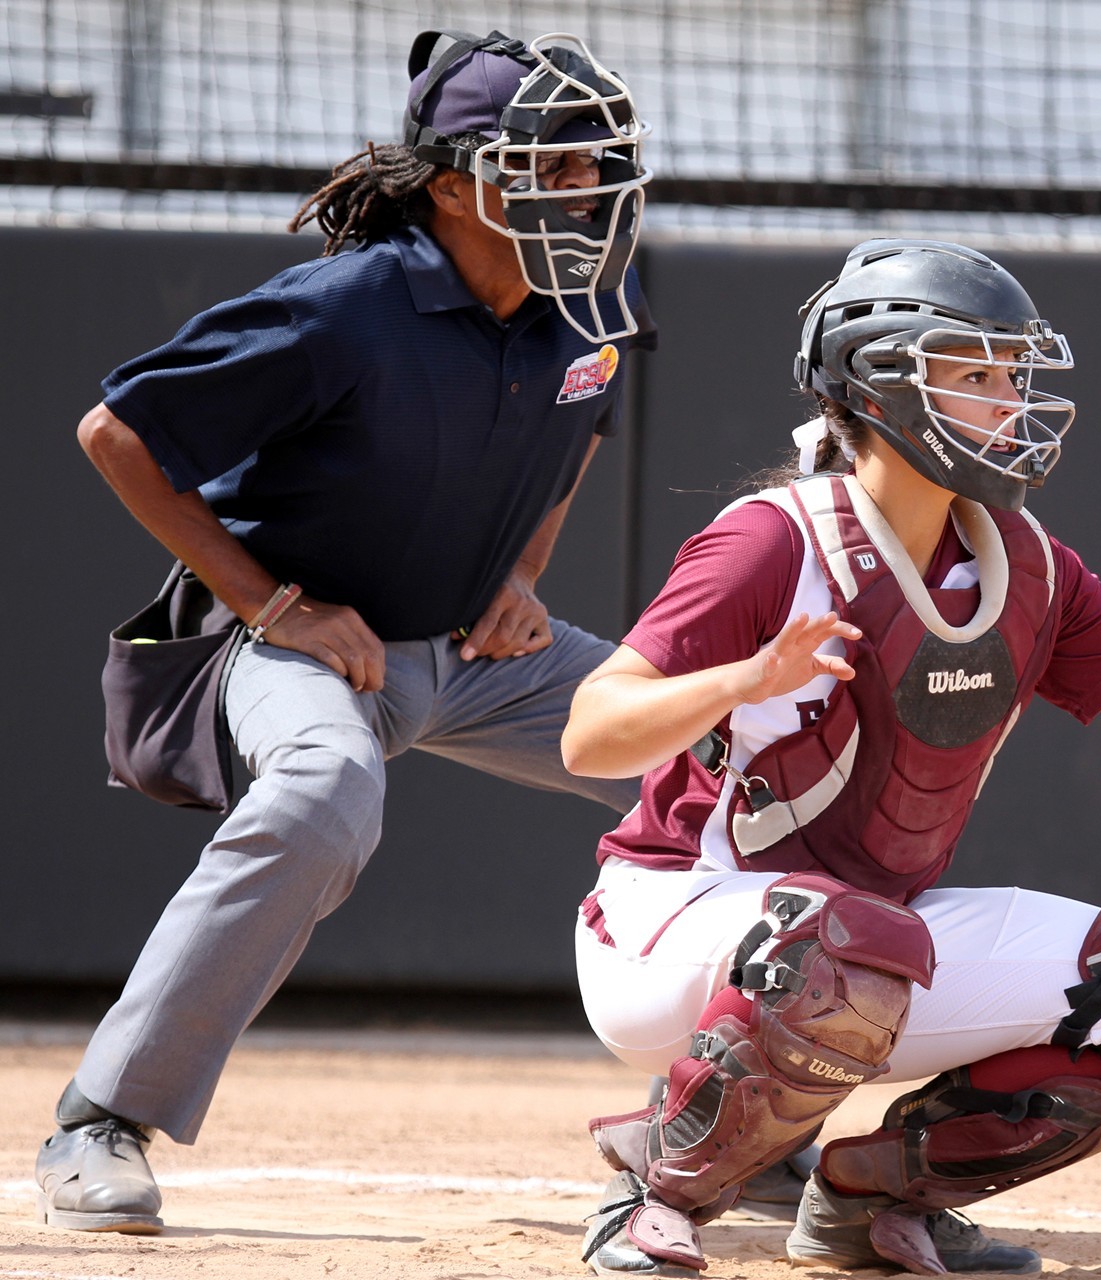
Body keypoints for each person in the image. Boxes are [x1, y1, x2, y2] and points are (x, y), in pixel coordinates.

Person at [560, 238, 1101, 1277]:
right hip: (668, 926)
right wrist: (739, 680)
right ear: (881, 385)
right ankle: (655, 1185)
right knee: (855, 941)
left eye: (1012, 373)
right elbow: (591, 728)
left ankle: (873, 1195)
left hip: (861, 942)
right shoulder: (776, 538)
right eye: (974, 373)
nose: (1008, 399)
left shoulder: (1024, 561)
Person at [36, 29, 653, 1234]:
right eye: (554, 164)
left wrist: (524, 568)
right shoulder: (348, 305)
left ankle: (752, 1102)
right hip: (282, 648)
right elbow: (116, 434)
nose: (587, 188)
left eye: (597, 163)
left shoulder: (592, 295)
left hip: (478, 661)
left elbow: (577, 430)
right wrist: (275, 602)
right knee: (324, 790)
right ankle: (100, 1117)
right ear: (454, 182)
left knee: (748, 757)